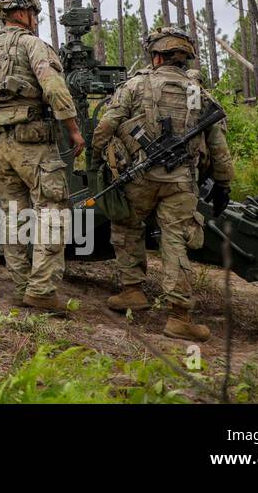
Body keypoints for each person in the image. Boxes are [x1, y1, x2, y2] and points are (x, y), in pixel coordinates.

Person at [92, 27, 234, 342]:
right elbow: (218, 144)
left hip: (139, 177)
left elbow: (106, 125)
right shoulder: (198, 92)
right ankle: (180, 317)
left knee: (128, 226)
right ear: (184, 58)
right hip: (182, 181)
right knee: (175, 240)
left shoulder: (137, 85)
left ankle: (132, 291)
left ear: (156, 56)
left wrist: (95, 159)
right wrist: (223, 183)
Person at [0, 0, 84, 312]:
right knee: (53, 210)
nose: (35, 20)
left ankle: (23, 287)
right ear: (21, 13)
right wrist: (73, 130)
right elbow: (53, 87)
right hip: (32, 143)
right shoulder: (32, 44)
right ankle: (43, 288)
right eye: (33, 13)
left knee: (12, 215)